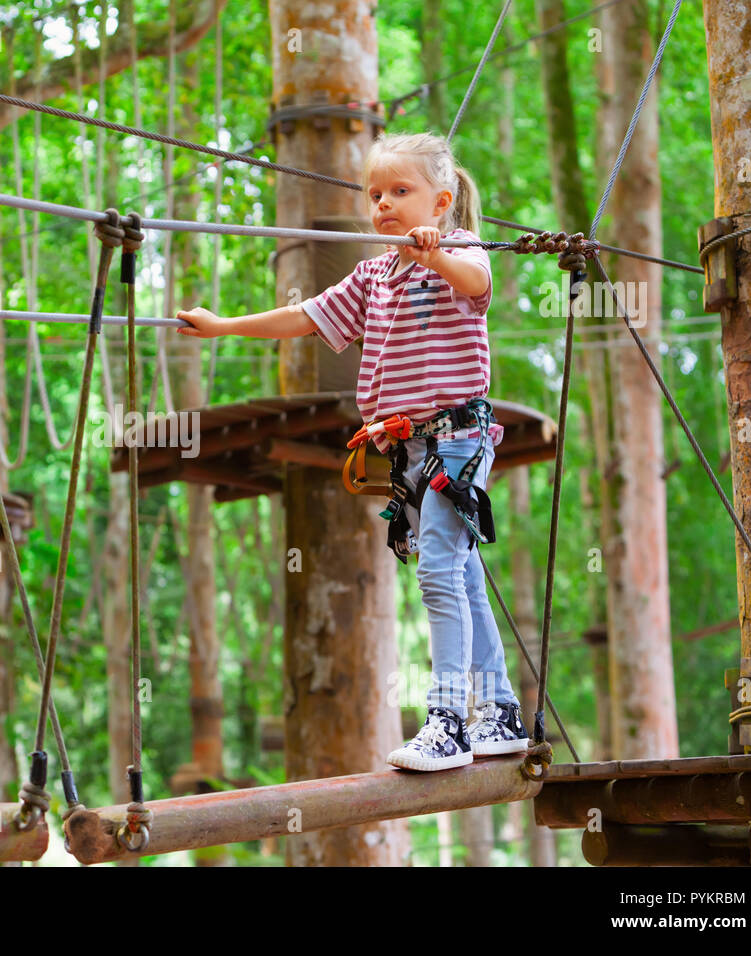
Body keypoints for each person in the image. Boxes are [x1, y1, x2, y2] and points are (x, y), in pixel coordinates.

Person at [175, 132, 527, 772]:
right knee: (463, 574)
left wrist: (436, 254)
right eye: (375, 195)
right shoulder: (374, 276)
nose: (384, 205)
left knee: (439, 573)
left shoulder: (460, 249)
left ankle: (448, 721)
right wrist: (223, 326)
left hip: (458, 438)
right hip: (411, 447)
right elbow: (306, 316)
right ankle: (499, 711)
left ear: (440, 202)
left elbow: (475, 282)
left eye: (400, 192)